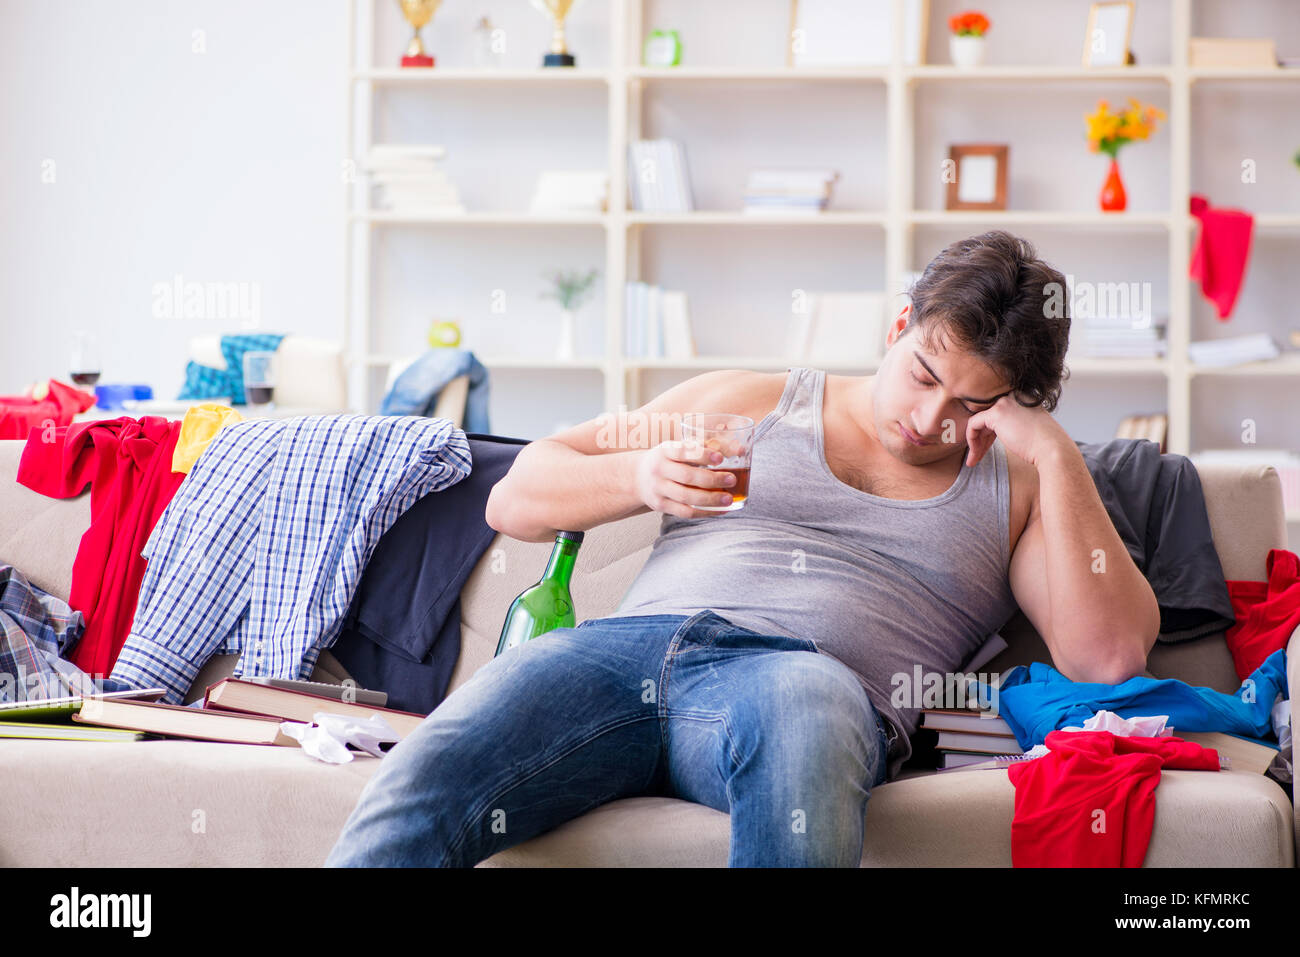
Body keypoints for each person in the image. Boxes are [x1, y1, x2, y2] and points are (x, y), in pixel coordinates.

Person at [325, 230, 1160, 868]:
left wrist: (1054, 453)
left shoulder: (1014, 485)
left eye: (970, 402)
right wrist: (642, 474)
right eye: (923, 372)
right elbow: (516, 498)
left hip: (801, 679)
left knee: (804, 703)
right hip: (615, 657)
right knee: (422, 779)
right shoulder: (754, 397)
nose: (930, 419)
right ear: (900, 324)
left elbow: (1109, 657)